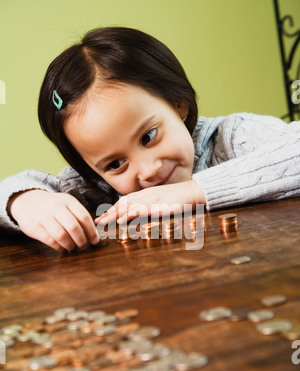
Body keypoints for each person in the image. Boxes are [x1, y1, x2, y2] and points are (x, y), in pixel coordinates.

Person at [0, 26, 299, 253]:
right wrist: (26, 202)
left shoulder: (232, 138)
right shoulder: (101, 188)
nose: (147, 171)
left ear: (178, 102)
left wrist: (193, 191)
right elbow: (12, 191)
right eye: (115, 163)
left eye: (148, 136)